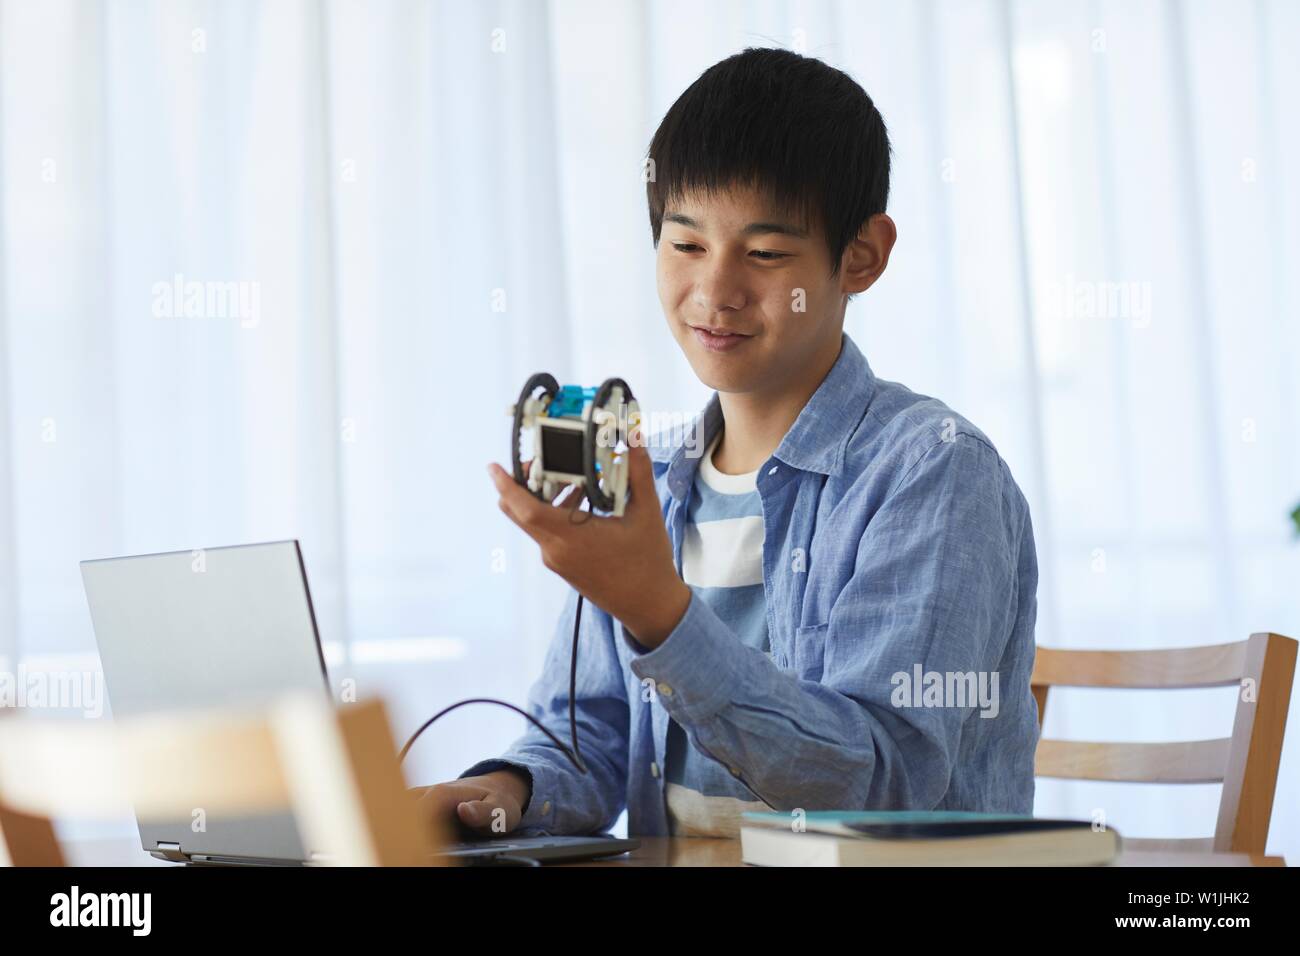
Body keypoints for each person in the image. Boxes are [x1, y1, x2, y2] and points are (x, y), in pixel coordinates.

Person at [416, 47, 1039, 840]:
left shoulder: (934, 473)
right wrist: (500, 796)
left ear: (862, 255)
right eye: (685, 245)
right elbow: (587, 740)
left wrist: (661, 615)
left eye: (767, 254)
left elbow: (884, 786)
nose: (715, 292)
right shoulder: (650, 476)